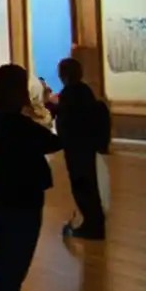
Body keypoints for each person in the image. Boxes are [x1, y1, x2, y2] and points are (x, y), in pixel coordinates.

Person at [0, 64, 63, 291]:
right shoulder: (14, 123)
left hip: (5, 201)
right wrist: (51, 110)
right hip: (21, 205)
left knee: (2, 267)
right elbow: (53, 141)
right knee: (11, 269)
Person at [49, 58, 109, 240]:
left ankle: (92, 226)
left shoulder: (70, 93)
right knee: (89, 184)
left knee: (82, 186)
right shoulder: (84, 91)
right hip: (86, 145)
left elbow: (68, 120)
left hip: (76, 147)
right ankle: (94, 223)